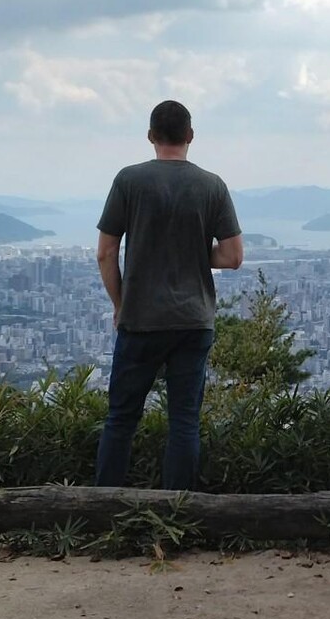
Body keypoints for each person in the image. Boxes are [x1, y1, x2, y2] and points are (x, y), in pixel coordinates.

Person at [93, 100, 244, 491]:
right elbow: (232, 256)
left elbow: (105, 252)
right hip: (193, 321)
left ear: (150, 137)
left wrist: (119, 303)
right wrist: (196, 251)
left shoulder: (129, 181)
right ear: (190, 136)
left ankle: (104, 507)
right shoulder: (212, 185)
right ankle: (178, 510)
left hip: (140, 319)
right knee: (184, 421)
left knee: (122, 417)